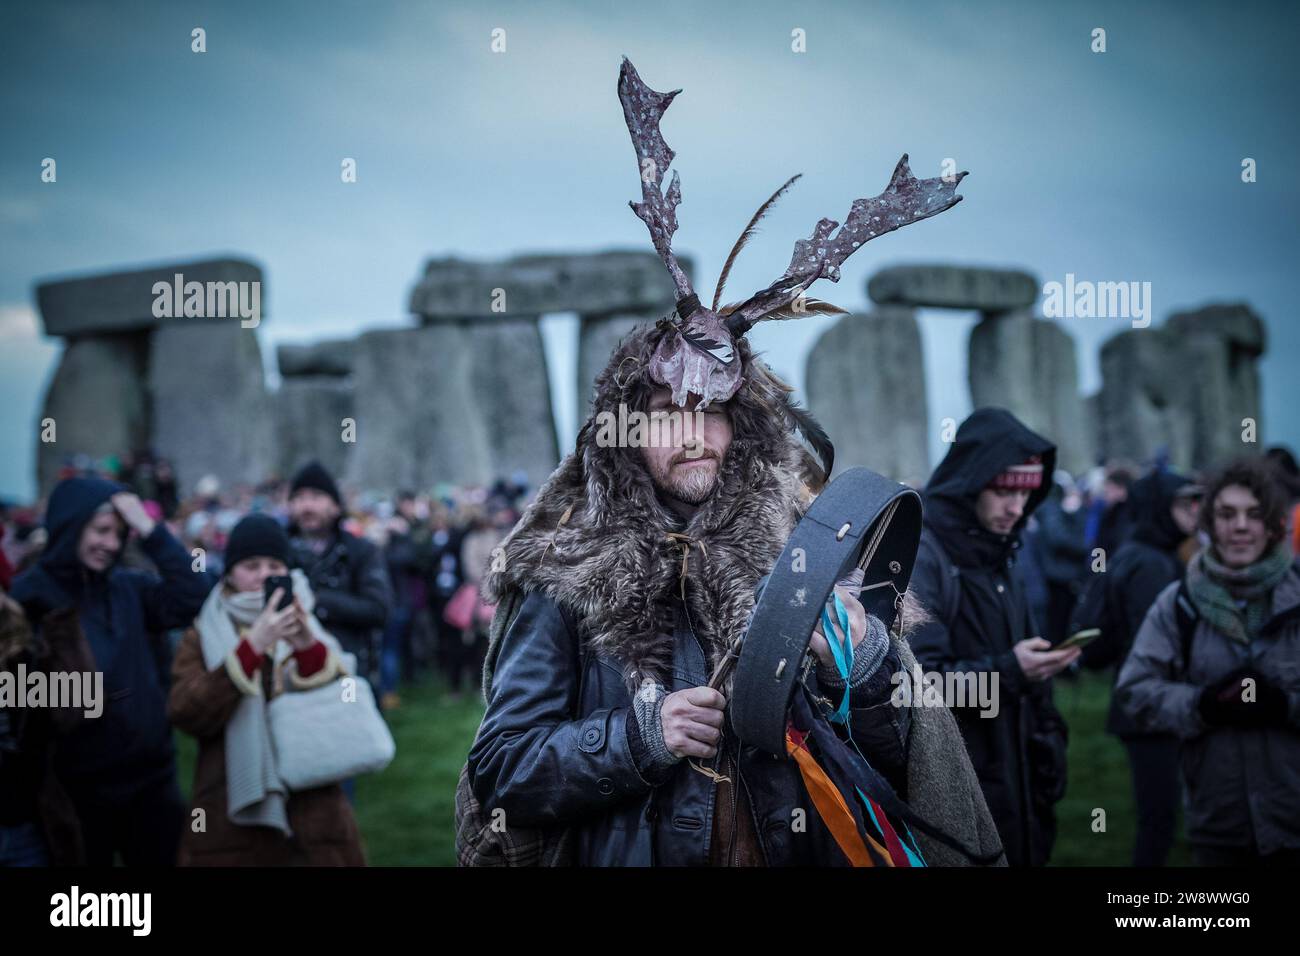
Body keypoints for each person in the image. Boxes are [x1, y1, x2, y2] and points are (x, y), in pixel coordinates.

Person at [462, 325, 1002, 866]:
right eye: (666, 415)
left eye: (710, 410)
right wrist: (637, 739)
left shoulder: (812, 552)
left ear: (738, 425)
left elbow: (900, 758)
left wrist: (862, 667)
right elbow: (502, 768)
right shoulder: (566, 569)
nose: (693, 435)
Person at [9, 477, 212, 866]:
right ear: (71, 525)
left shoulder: (129, 588)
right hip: (79, 786)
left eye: (120, 534)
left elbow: (194, 594)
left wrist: (151, 531)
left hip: (152, 780)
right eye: (101, 531)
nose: (112, 545)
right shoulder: (30, 596)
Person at [908, 408, 1077, 867]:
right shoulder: (926, 555)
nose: (1016, 509)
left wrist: (1049, 742)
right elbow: (918, 690)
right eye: (1003, 491)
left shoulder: (1005, 550)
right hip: (961, 784)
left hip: (1022, 779)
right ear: (970, 483)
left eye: (1025, 494)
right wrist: (1012, 671)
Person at [1117, 457, 1300, 866]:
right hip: (1221, 826)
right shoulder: (1178, 603)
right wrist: (1202, 705)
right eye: (1226, 514)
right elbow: (1135, 690)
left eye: (1254, 515)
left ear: (1273, 525)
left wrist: (1285, 706)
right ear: (1209, 524)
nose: (1239, 526)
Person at [168, 514, 365, 865]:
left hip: (314, 802)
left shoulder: (306, 617)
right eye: (251, 565)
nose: (263, 575)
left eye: (274, 565)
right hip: (229, 803)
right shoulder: (203, 631)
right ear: (229, 572)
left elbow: (341, 697)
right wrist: (252, 647)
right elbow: (186, 711)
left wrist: (305, 644)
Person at [1077, 469, 1200, 866]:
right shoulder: (1149, 563)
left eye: (1198, 502)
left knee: (1164, 814)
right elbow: (1153, 644)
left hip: (1149, 701)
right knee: (1159, 818)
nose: (1195, 512)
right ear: (1160, 508)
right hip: (1149, 705)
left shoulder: (1149, 552)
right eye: (1185, 503)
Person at [285, 462, 393, 688]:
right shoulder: (279, 553)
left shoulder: (361, 551)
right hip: (292, 673)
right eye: (299, 498)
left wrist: (316, 599)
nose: (306, 506)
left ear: (335, 506)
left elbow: (378, 608)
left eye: (315, 497)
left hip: (350, 672)